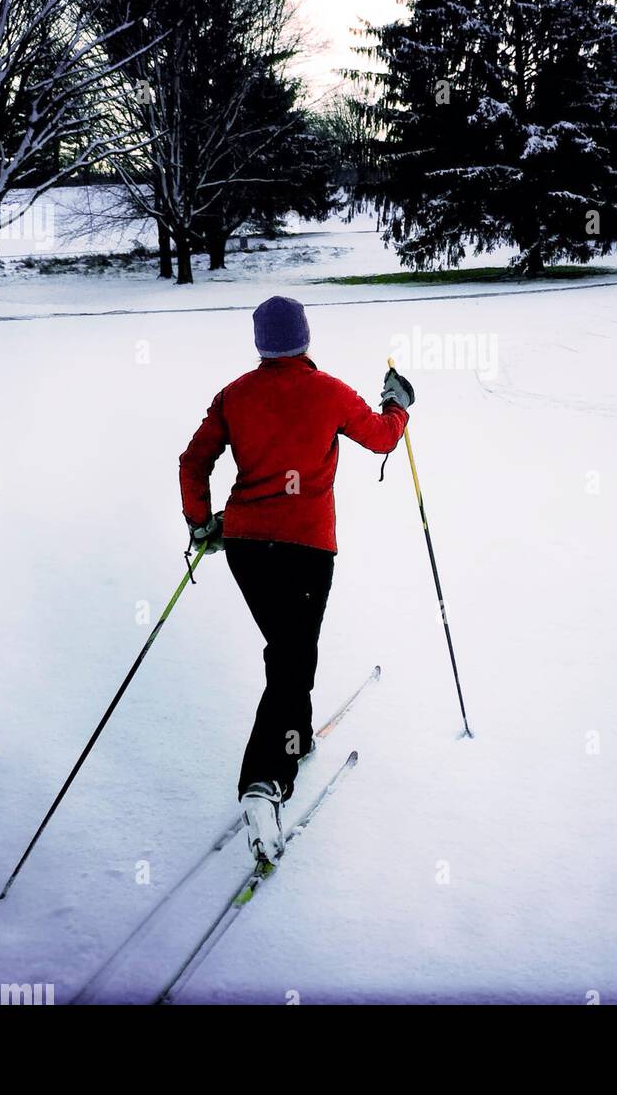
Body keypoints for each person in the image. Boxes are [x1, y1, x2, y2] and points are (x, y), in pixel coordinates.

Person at [178, 295, 414, 864]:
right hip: (307, 547)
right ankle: (264, 781)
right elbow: (382, 437)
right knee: (292, 655)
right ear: (305, 339)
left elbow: (193, 461)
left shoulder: (234, 395)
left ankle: (296, 735)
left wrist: (202, 521)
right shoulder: (328, 391)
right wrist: (398, 404)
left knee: (288, 648)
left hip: (246, 547)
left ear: (261, 344)